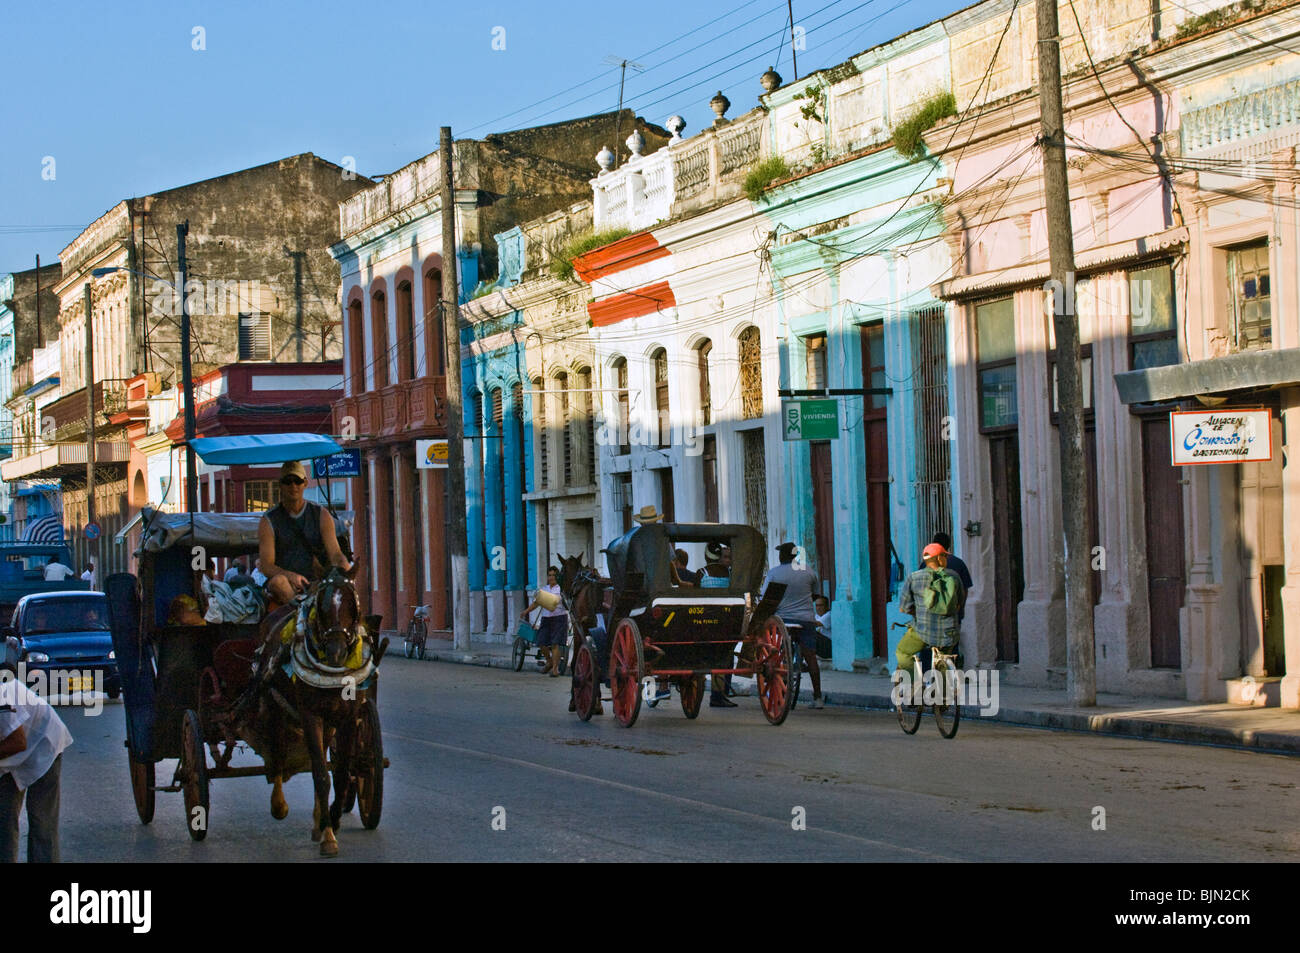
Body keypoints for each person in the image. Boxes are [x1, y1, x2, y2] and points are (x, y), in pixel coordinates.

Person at [258, 461, 352, 607]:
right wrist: (291, 576)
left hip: (317, 579)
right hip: (286, 584)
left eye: (297, 481)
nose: (293, 486)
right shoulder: (268, 520)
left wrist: (343, 566)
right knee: (279, 582)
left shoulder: (321, 515)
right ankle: (300, 612)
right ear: (281, 485)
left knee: (347, 576)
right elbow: (266, 565)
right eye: (288, 482)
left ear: (305, 483)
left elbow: (334, 552)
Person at [0, 678, 73, 862]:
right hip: (9, 753)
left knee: (42, 821)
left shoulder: (1, 699)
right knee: (3, 820)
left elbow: (18, 742)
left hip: (44, 740)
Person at [762, 542, 824, 708]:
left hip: (784, 621)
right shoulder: (808, 571)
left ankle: (782, 691)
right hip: (806, 619)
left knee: (780, 653)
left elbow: (766, 599)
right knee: (811, 657)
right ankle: (818, 697)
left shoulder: (775, 573)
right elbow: (815, 594)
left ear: (783, 555)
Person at [897, 542, 966, 679]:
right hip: (949, 633)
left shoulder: (914, 577)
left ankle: (913, 684)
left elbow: (904, 608)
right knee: (944, 663)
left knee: (903, 652)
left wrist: (919, 612)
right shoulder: (954, 576)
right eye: (945, 557)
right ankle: (944, 697)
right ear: (940, 559)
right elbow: (960, 603)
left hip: (922, 631)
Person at [523, 567, 567, 676]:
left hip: (559, 618)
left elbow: (567, 602)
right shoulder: (544, 589)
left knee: (555, 644)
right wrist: (526, 611)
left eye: (554, 575)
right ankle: (549, 661)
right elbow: (536, 603)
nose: (551, 577)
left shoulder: (562, 589)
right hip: (546, 618)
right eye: (550, 575)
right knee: (541, 642)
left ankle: (555, 669)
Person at [814, 595, 833, 660]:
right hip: (821, 647)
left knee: (810, 634)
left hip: (829, 648)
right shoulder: (816, 616)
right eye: (816, 605)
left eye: (821, 605)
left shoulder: (829, 614)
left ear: (826, 606)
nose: (818, 608)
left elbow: (816, 624)